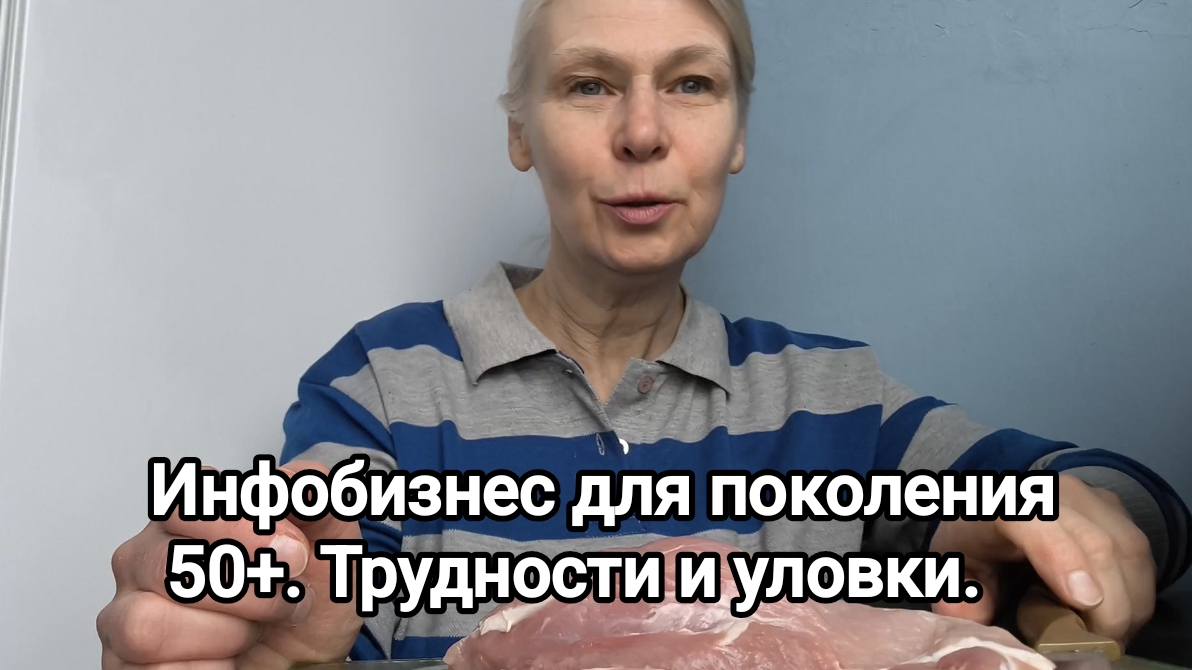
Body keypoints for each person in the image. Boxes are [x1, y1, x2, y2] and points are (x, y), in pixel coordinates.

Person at [97, 0, 1190, 667]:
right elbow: (312, 611)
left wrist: (1049, 523)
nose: (641, 133)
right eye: (588, 85)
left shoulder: (827, 396)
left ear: (736, 134)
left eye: (691, 84)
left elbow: (1130, 494)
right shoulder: (388, 384)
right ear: (521, 134)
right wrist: (270, 636)